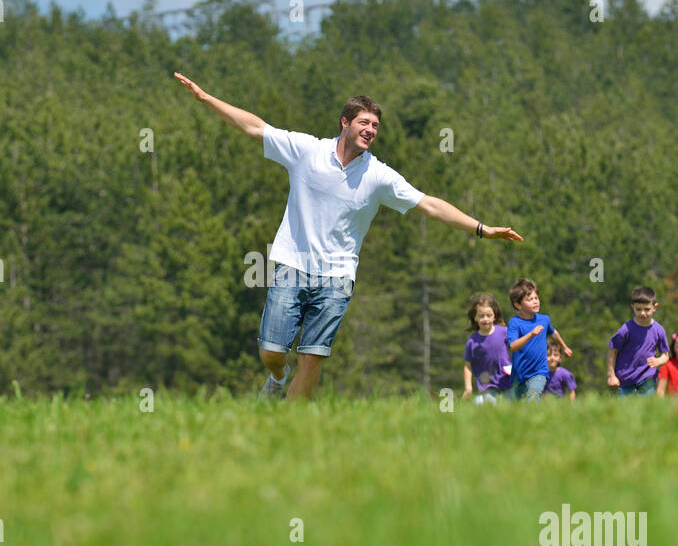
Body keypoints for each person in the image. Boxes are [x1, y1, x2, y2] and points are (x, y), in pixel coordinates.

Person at [172, 73, 521, 400]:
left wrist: (481, 228)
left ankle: (289, 428)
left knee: (313, 357)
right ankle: (278, 377)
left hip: (337, 277)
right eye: (364, 123)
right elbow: (255, 127)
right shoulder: (307, 150)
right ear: (345, 123)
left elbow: (428, 204)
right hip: (292, 264)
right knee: (271, 352)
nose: (370, 130)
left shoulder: (379, 176)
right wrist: (205, 99)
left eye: (375, 126)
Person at [506, 278, 573, 400]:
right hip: (519, 373)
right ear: (517, 304)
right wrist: (530, 334)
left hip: (539, 371)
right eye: (529, 299)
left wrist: (564, 347)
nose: (535, 302)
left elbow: (553, 332)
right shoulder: (514, 323)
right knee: (518, 405)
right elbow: (513, 346)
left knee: (532, 398)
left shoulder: (544, 319)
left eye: (536, 298)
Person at [606, 285, 669, 396]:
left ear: (655, 307)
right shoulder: (626, 329)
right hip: (625, 378)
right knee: (623, 410)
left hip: (647, 377)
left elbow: (665, 355)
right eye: (638, 309)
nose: (642, 313)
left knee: (647, 408)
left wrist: (658, 361)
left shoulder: (659, 330)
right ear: (632, 307)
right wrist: (611, 375)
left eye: (647, 309)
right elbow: (613, 351)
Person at [462, 293, 512, 405]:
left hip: (507, 379)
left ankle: (478, 401)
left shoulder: (504, 332)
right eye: (481, 316)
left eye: (489, 315)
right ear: (475, 317)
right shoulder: (472, 341)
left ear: (494, 316)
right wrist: (468, 387)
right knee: (490, 410)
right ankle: (478, 401)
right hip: (488, 383)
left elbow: (518, 347)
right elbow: (468, 366)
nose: (485, 319)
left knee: (511, 408)